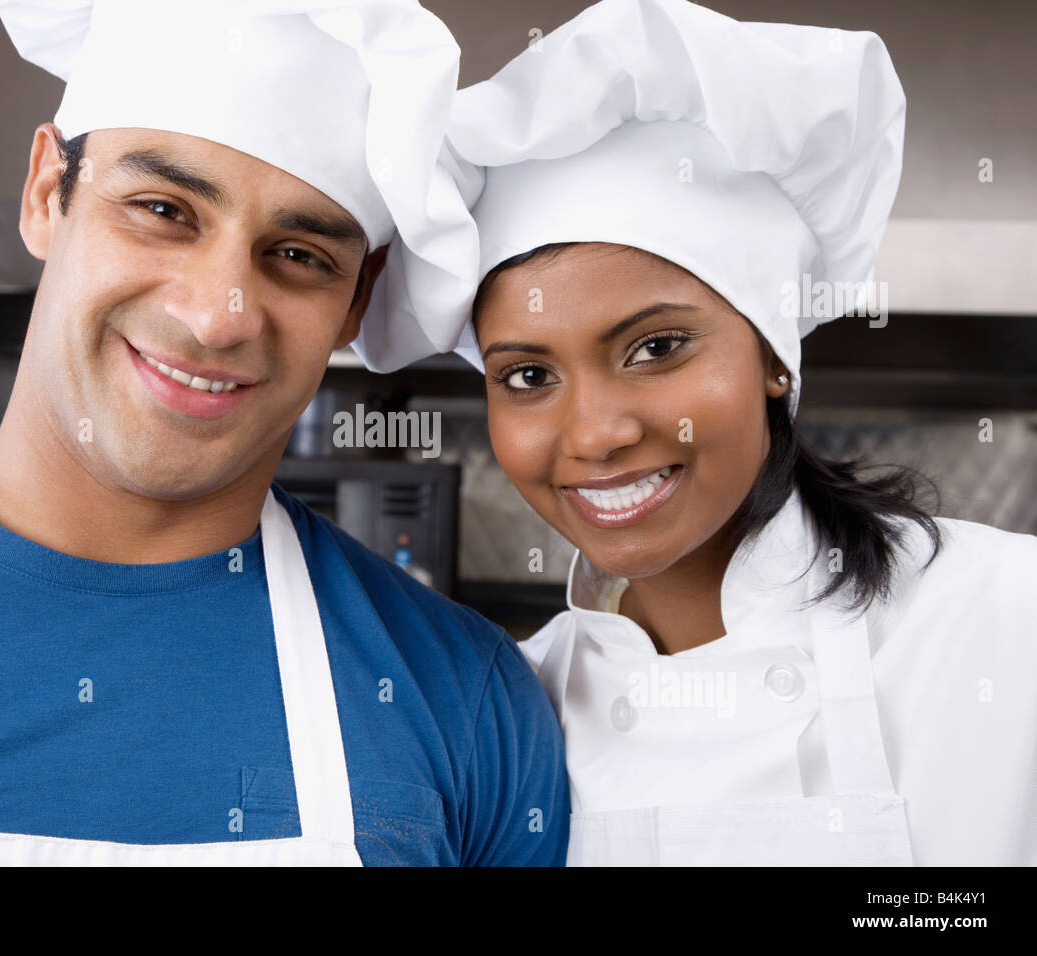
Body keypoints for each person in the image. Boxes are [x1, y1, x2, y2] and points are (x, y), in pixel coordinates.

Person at [0, 0, 568, 866]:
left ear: (356, 301)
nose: (217, 317)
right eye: (164, 210)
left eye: (298, 255)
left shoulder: (468, 705)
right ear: (44, 193)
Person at [433, 0, 1036, 865]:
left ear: (773, 357)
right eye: (528, 376)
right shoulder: (511, 717)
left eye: (656, 348)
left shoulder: (1005, 621)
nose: (596, 434)